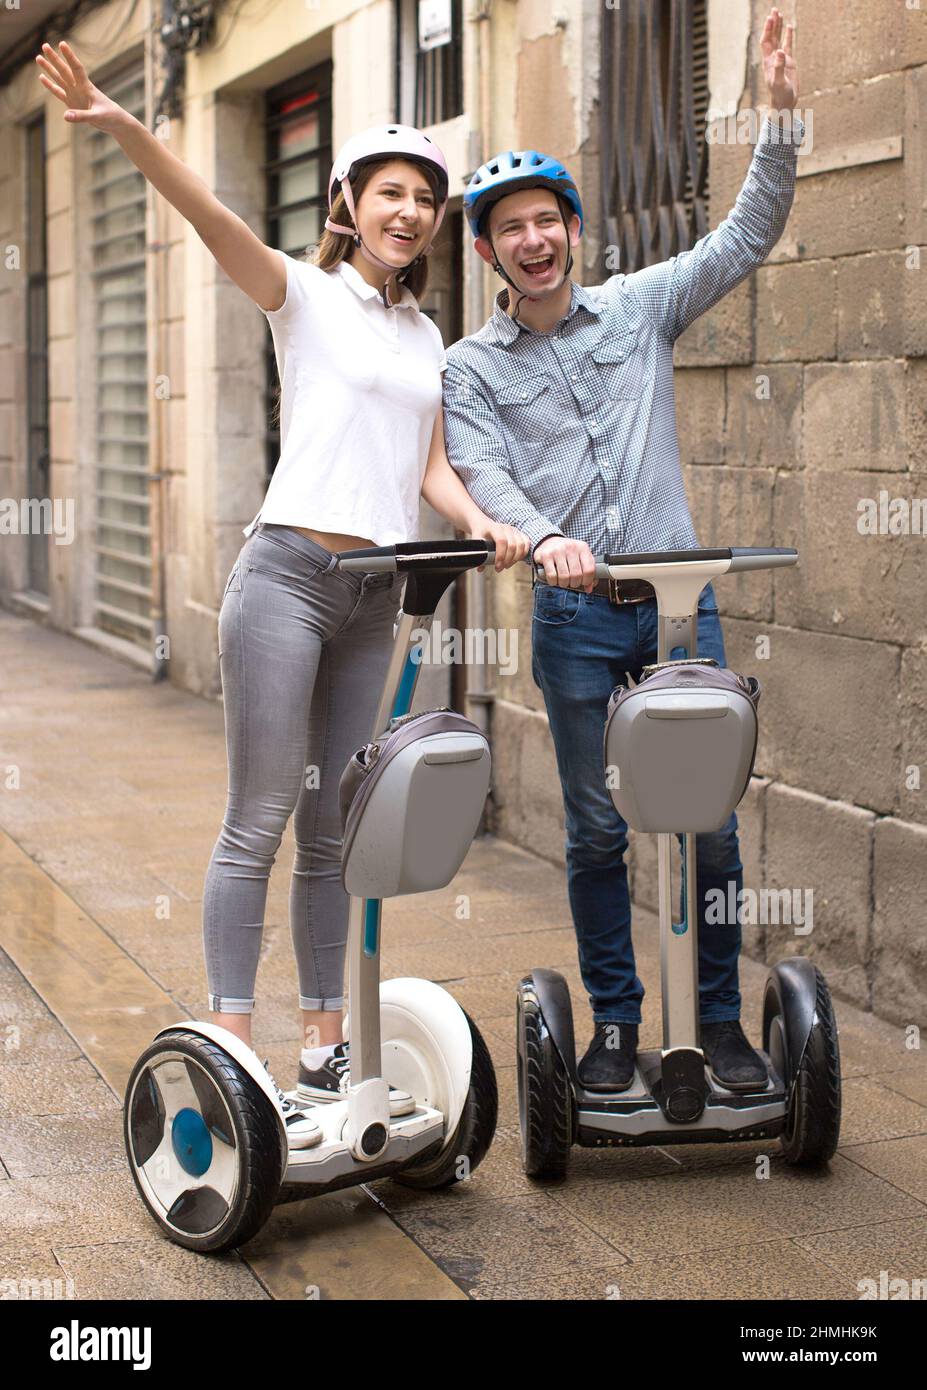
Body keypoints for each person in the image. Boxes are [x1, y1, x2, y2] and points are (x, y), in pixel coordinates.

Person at [36, 41, 529, 1143]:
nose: (411, 211)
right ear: (349, 204)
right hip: (288, 579)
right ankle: (231, 1040)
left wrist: (483, 523)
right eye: (392, 193)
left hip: (374, 592)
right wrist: (121, 124)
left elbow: (430, 467)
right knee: (256, 817)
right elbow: (211, 217)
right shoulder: (300, 293)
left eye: (427, 199)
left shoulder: (425, 333)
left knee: (331, 831)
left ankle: (321, 1038)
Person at [441, 9, 801, 1091]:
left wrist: (779, 118)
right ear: (487, 247)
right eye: (512, 227)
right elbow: (486, 477)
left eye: (549, 220)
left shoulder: (642, 308)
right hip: (577, 617)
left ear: (572, 228)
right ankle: (612, 1027)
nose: (535, 239)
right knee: (598, 830)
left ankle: (724, 1026)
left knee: (713, 830)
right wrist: (544, 538)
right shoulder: (471, 368)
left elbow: (743, 235)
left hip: (683, 606)